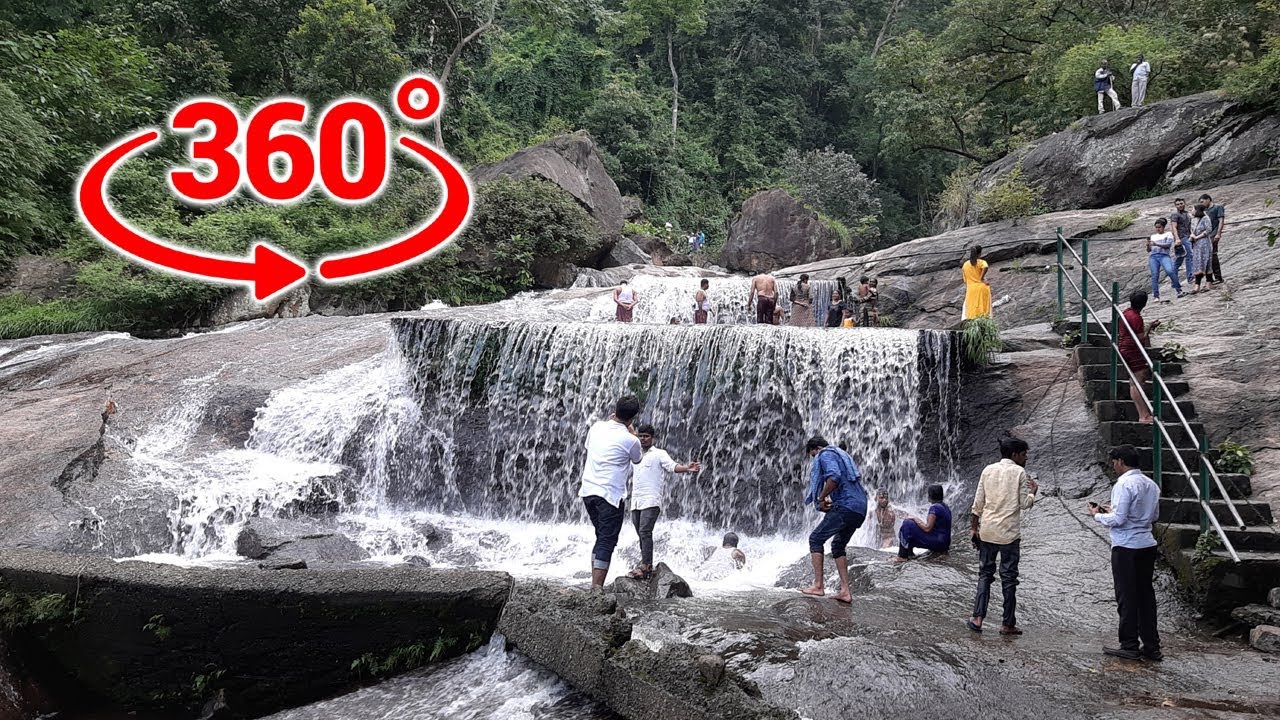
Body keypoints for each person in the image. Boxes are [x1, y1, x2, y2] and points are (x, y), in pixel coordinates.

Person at [1089, 444, 1162, 661]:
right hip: (1147, 544)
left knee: (1126, 596)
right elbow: (1154, 516)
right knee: (1145, 596)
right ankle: (1151, 645)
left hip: (1126, 546)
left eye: (1114, 462)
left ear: (1121, 461)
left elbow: (1118, 520)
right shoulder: (1151, 484)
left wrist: (1097, 515)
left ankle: (1129, 643)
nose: (1114, 466)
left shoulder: (1123, 484)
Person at [968, 437, 1038, 635]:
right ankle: (1007, 624)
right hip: (1009, 534)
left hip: (987, 531)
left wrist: (974, 528)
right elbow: (1024, 504)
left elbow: (977, 504)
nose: (1025, 458)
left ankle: (977, 618)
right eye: (1024, 455)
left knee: (985, 575)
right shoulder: (1019, 473)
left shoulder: (988, 470)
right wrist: (1034, 493)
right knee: (1009, 579)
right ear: (1015, 454)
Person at [578, 396, 644, 588]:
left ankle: (594, 584)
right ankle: (596, 589)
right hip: (610, 496)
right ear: (632, 418)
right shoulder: (631, 440)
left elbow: (590, 446)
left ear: (615, 409)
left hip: (588, 491)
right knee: (607, 541)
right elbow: (637, 459)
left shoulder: (596, 427)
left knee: (601, 537)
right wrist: (632, 432)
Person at [628, 424, 700, 579]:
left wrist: (687, 468)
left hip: (651, 500)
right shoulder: (635, 454)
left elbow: (672, 466)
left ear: (652, 438)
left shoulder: (659, 454)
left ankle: (646, 566)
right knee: (640, 534)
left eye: (646, 436)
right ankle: (645, 563)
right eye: (641, 436)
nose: (643, 439)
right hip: (636, 500)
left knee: (645, 531)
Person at [801, 436, 868, 603]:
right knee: (838, 545)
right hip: (859, 507)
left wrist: (821, 497)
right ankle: (845, 591)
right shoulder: (842, 455)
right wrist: (830, 500)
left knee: (815, 539)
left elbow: (834, 477)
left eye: (812, 455)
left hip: (847, 505)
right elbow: (844, 484)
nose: (814, 460)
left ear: (816, 449)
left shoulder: (825, 454)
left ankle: (818, 586)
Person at [1118, 290, 1160, 423]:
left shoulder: (1125, 313)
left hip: (1123, 347)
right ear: (1144, 304)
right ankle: (1144, 415)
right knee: (1137, 381)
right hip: (1132, 350)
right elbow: (1139, 337)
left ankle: (1144, 414)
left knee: (1135, 382)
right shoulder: (1136, 317)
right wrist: (1150, 327)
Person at [895, 484, 953, 561]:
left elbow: (927, 528)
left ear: (930, 495)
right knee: (911, 527)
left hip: (938, 543)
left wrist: (915, 518)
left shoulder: (934, 508)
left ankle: (902, 556)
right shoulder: (945, 507)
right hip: (944, 543)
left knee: (907, 524)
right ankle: (909, 553)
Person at [1145, 217, 1185, 301]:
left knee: (1170, 271)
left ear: (1163, 227)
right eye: (1156, 227)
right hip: (1154, 256)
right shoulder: (1153, 236)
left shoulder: (1168, 234)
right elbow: (1149, 250)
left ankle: (1179, 290)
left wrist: (1156, 244)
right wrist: (1148, 245)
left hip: (1164, 255)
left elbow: (1167, 245)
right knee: (1154, 275)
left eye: (1159, 227)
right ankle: (1156, 295)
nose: (1158, 229)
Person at [1200, 193, 1225, 284]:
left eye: (1203, 202)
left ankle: (1218, 277)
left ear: (1208, 199)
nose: (1202, 204)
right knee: (1207, 256)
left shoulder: (1217, 207)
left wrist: (1218, 233)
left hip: (1214, 233)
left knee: (1213, 255)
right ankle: (1210, 278)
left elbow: (1221, 221)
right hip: (1206, 235)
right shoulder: (1204, 210)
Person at [1189, 205, 1214, 292]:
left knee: (1206, 261)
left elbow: (1208, 230)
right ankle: (1197, 285)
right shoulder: (1193, 219)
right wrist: (1192, 236)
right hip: (1196, 244)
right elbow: (1192, 230)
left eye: (1193, 209)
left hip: (1204, 243)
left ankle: (1208, 283)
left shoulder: (1205, 218)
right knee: (1197, 263)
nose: (1191, 211)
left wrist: (1197, 237)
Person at [962, 245, 991, 320]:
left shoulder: (965, 265)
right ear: (979, 254)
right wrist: (982, 278)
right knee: (983, 311)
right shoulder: (981, 262)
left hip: (971, 290)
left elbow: (965, 280)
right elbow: (985, 267)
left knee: (971, 311)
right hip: (981, 288)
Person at [1169, 198, 1193, 285]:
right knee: (1189, 255)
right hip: (1181, 238)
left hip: (1188, 236)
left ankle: (1174, 281)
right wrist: (1177, 238)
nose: (1180, 205)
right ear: (1175, 206)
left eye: (1181, 203)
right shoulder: (1175, 215)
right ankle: (1190, 277)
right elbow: (1174, 227)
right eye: (1178, 204)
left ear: (1184, 203)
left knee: (1180, 259)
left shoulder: (1187, 214)